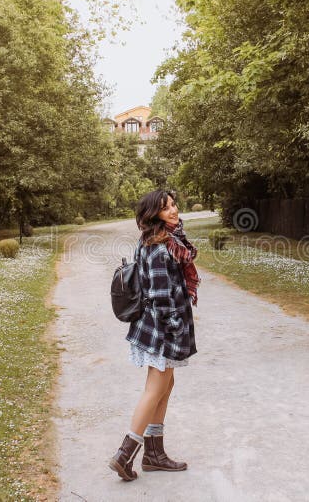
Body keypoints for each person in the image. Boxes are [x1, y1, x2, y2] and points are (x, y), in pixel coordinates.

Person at [108, 189, 200, 481]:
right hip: (162, 329)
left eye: (174, 205)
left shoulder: (158, 241)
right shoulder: (161, 248)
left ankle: (154, 454)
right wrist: (175, 331)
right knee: (155, 388)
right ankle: (125, 455)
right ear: (155, 214)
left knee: (165, 385)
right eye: (166, 208)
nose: (174, 210)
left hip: (156, 326)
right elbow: (162, 297)